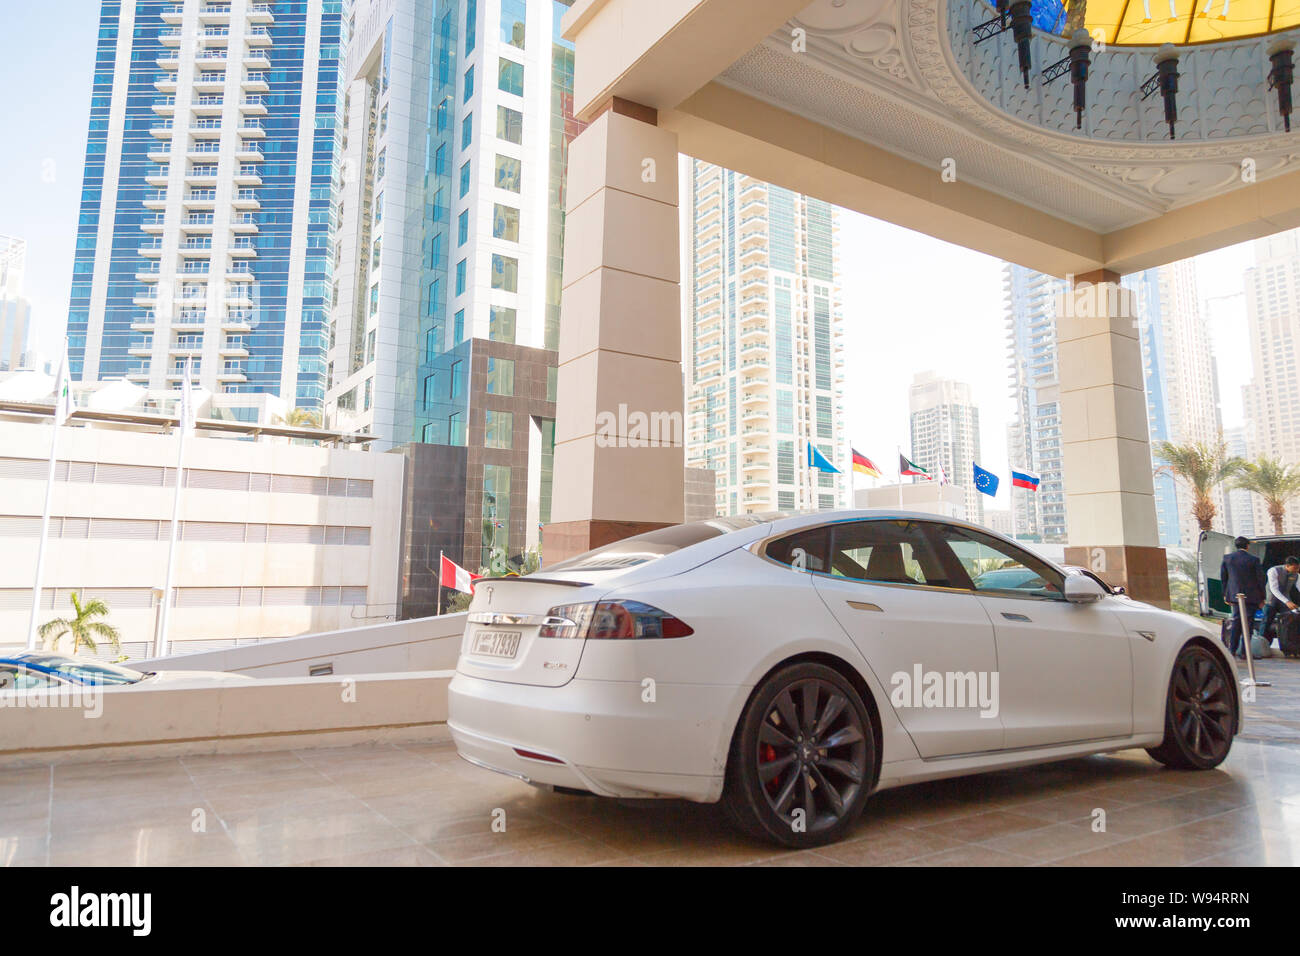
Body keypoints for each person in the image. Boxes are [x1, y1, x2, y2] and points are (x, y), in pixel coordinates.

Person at [1221, 536, 1265, 659]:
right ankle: (1245, 653)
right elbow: (1260, 579)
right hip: (1251, 597)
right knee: (1248, 624)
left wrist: (1225, 594)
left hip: (1235, 596)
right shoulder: (1254, 560)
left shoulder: (1227, 558)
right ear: (1247, 546)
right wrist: (1262, 597)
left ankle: (1232, 650)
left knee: (1236, 622)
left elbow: (1224, 578)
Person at [1263, 556, 1300, 645]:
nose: (1297, 570)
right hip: (1272, 600)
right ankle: (1263, 645)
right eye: (1295, 568)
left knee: (1290, 621)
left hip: (1286, 601)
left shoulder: (1297, 575)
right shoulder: (1273, 571)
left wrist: (1287, 602)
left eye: (1298, 568)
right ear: (1287, 566)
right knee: (1266, 623)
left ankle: (1288, 645)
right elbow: (1274, 589)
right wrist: (1287, 601)